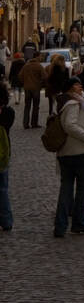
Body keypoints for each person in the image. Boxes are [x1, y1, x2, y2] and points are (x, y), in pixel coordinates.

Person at [53, 80, 84, 237]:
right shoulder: (73, 104)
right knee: (81, 190)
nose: (81, 87)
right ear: (72, 87)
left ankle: (60, 226)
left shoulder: (62, 102)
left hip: (65, 153)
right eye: (79, 85)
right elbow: (70, 125)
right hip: (78, 152)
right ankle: (78, 223)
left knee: (65, 190)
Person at [0, 77, 14, 231]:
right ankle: (6, 221)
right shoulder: (9, 112)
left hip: (3, 151)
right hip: (4, 152)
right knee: (3, 188)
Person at [20, 51, 45, 129]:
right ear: (37, 57)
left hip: (27, 88)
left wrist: (25, 83)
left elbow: (20, 76)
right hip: (36, 88)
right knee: (35, 106)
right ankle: (34, 123)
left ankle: (25, 124)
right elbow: (44, 77)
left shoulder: (26, 66)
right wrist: (41, 84)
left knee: (27, 106)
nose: (41, 58)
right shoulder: (39, 66)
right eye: (40, 56)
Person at [45, 52, 70, 117]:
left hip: (54, 89)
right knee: (62, 105)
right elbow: (67, 80)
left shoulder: (53, 69)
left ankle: (53, 118)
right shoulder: (66, 69)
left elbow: (50, 80)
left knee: (53, 105)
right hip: (63, 89)